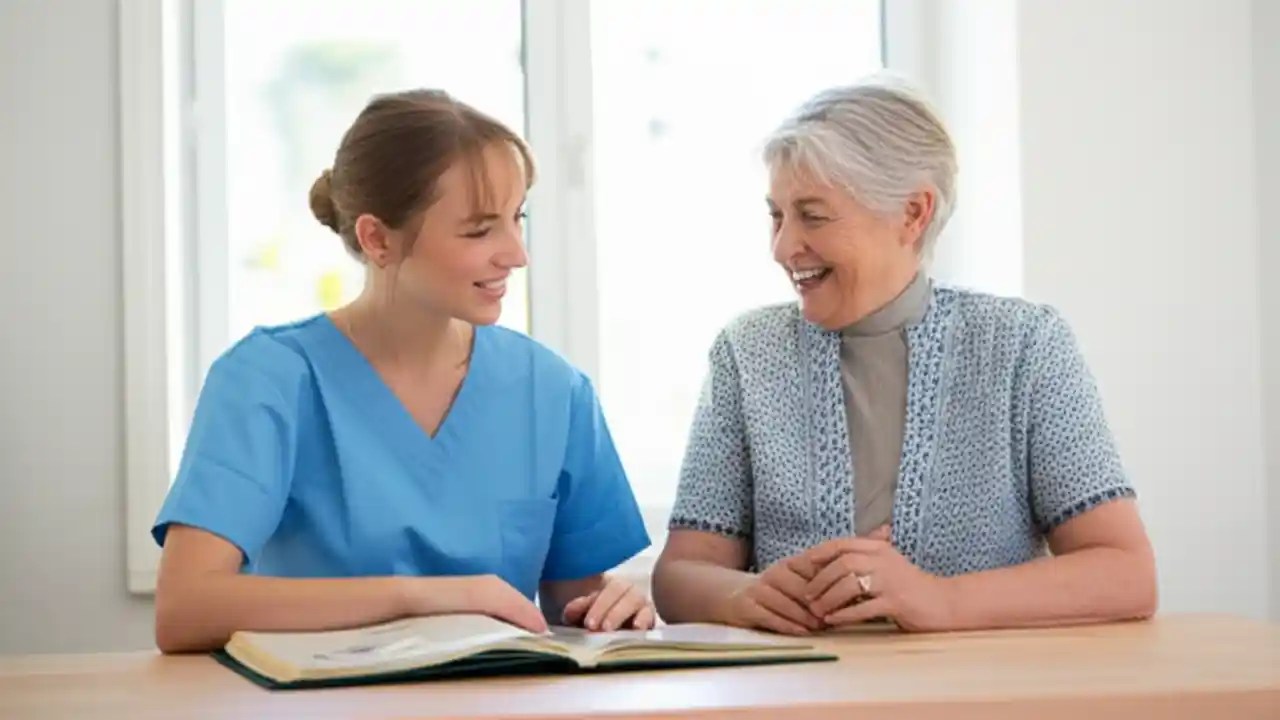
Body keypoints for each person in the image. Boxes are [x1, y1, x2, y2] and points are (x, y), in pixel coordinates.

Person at [652, 76, 1158, 635]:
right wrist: (742, 595)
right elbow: (680, 575)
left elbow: (1126, 573)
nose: (782, 246)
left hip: (980, 692)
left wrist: (942, 600)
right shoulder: (747, 354)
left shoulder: (1023, 346)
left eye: (813, 216)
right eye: (777, 216)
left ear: (913, 214)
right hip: (799, 693)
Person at [151, 90, 653, 653]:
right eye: (479, 230)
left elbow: (572, 605)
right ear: (376, 239)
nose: (516, 253)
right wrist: (423, 597)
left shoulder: (554, 393)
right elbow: (185, 609)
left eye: (519, 219)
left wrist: (616, 605)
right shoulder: (266, 381)